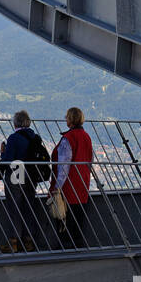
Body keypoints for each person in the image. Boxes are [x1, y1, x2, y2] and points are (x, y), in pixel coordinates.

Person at [0, 111, 49, 253]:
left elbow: (8, 159)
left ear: (15, 123)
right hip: (31, 177)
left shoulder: (14, 138)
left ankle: (13, 242)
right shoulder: (35, 137)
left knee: (15, 208)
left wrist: (2, 153)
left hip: (16, 176)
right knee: (28, 207)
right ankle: (28, 242)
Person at [50, 107, 94, 249]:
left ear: (70, 120)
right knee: (79, 215)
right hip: (82, 181)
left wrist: (57, 187)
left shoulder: (68, 139)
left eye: (67, 117)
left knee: (64, 217)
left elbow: (64, 166)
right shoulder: (86, 136)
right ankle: (78, 244)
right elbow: (89, 160)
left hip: (69, 185)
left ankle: (64, 246)